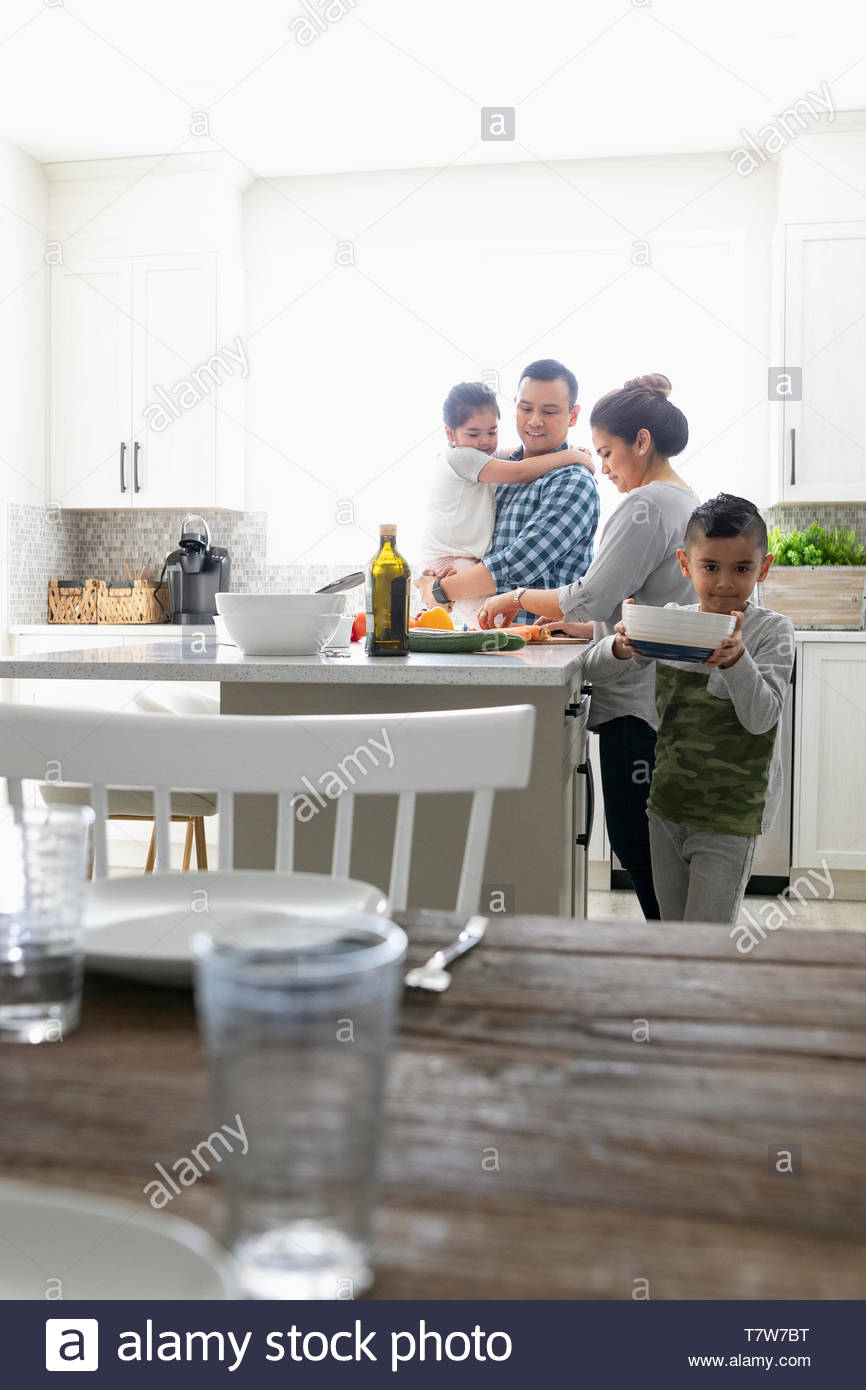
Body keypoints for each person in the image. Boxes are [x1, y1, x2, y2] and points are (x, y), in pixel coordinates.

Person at [478, 374, 699, 919]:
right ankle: (685, 954)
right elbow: (637, 607)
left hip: (637, 704)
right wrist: (575, 630)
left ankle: (680, 956)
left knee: (637, 843)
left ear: (641, 442)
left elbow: (594, 595)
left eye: (606, 453)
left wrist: (516, 596)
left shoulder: (645, 503)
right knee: (654, 844)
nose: (603, 467)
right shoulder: (682, 498)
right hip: (662, 696)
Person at [587, 494, 795, 924]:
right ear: (685, 564)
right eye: (710, 567)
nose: (724, 582)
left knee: (706, 942)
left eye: (742, 568)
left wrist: (738, 661)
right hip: (666, 807)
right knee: (672, 935)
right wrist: (622, 647)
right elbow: (594, 670)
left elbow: (762, 718)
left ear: (764, 567)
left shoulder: (771, 632)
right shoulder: (671, 622)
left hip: (729, 817)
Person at [415, 360, 599, 621]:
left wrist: (440, 590)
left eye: (549, 412)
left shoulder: (573, 481)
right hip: (493, 646)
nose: (535, 421)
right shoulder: (500, 468)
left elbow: (518, 565)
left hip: (544, 648)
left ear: (573, 415)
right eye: (526, 408)